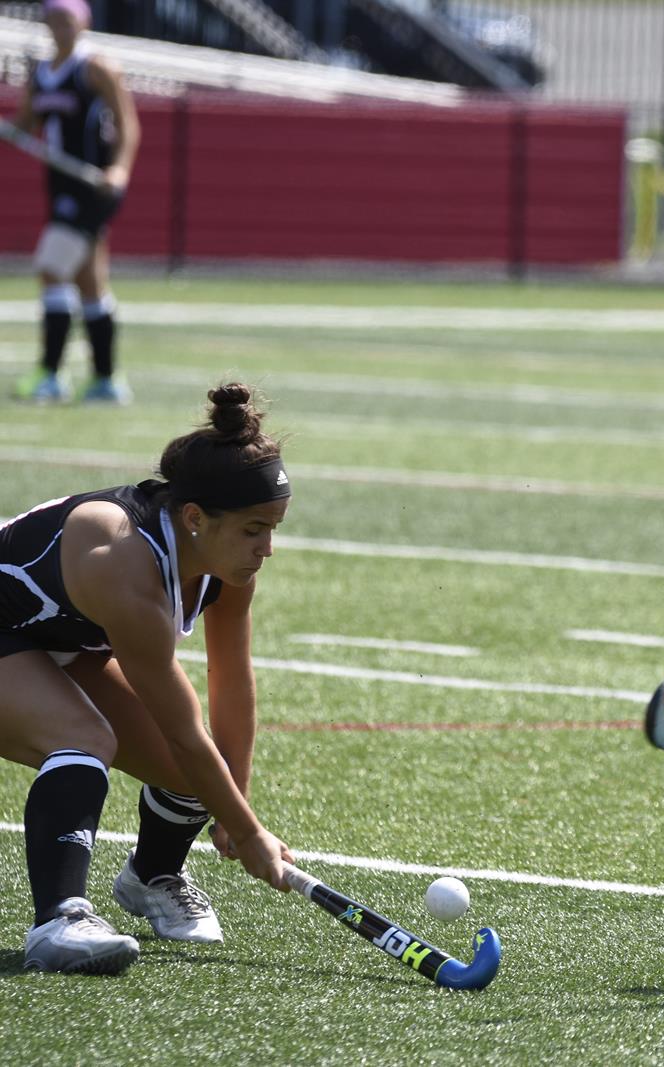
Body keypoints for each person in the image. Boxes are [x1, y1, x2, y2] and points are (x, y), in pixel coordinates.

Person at [0, 382, 295, 974]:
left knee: (198, 771)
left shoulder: (225, 569)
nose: (266, 548)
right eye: (252, 529)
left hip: (56, 640)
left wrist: (235, 801)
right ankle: (58, 921)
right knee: (83, 738)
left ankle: (151, 874)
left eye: (273, 529)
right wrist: (248, 829)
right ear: (194, 518)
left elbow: (231, 679)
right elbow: (182, 724)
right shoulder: (123, 561)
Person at [9, 0, 139, 405]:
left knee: (51, 268)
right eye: (53, 20)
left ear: (83, 23)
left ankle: (49, 375)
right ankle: (106, 382)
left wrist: (119, 170)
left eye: (67, 20)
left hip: (94, 187)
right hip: (60, 186)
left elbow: (127, 125)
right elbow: (25, 125)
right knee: (89, 282)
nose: (59, 28)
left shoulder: (97, 68)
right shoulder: (42, 75)